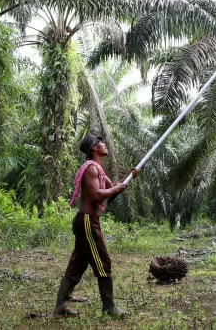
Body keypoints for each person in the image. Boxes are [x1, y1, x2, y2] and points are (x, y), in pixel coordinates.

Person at [54, 134, 140, 318]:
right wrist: (116, 189)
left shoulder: (98, 169)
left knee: (77, 265)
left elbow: (114, 188)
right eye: (101, 143)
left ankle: (60, 309)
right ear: (94, 148)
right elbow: (97, 195)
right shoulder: (91, 168)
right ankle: (109, 307)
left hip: (87, 221)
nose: (105, 145)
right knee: (103, 262)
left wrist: (129, 177)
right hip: (87, 221)